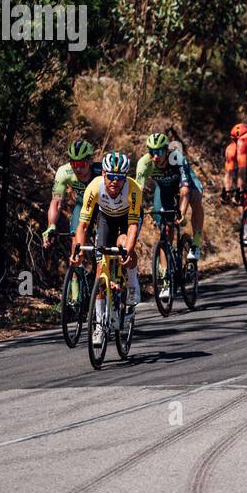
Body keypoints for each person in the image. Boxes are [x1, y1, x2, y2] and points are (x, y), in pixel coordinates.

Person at [72, 152, 143, 339]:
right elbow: (83, 225)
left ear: (125, 177)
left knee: (123, 245)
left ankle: (133, 282)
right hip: (105, 218)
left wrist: (128, 249)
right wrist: (78, 249)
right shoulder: (94, 187)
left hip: (127, 219)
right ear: (103, 174)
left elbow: (133, 225)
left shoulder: (133, 189)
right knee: (100, 272)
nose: (115, 182)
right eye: (111, 176)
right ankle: (99, 325)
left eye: (120, 178)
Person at [136, 132, 205, 261]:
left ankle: (196, 243)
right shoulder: (144, 163)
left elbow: (185, 190)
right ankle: (164, 272)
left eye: (160, 151)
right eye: (152, 151)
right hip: (164, 188)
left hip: (186, 184)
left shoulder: (177, 158)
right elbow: (137, 190)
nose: (156, 156)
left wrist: (182, 213)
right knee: (166, 232)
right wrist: (136, 209)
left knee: (195, 198)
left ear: (167, 151)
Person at [44, 139, 99, 250]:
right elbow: (56, 201)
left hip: (103, 206)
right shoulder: (64, 172)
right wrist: (51, 226)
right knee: (75, 239)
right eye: (74, 164)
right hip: (83, 204)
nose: (78, 169)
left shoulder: (101, 171)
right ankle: (77, 265)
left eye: (82, 164)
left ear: (90, 161)